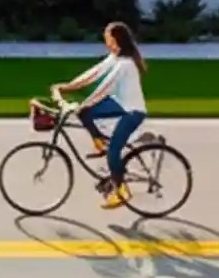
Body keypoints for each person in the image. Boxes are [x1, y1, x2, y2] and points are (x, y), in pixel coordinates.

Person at [50, 21, 149, 210]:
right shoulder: (116, 57)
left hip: (132, 112)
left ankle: (121, 192)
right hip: (120, 104)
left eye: (108, 38)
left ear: (116, 40)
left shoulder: (125, 64)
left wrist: (83, 104)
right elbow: (93, 74)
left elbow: (104, 88)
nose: (106, 42)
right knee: (85, 112)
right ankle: (99, 142)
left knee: (113, 151)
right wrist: (68, 86)